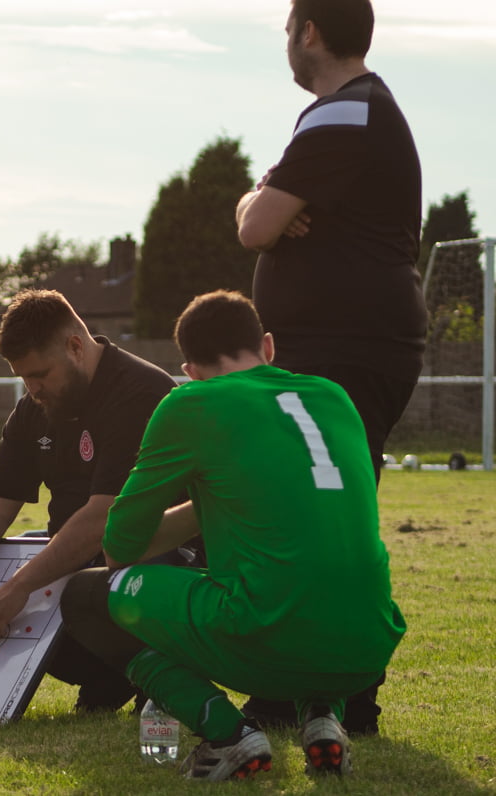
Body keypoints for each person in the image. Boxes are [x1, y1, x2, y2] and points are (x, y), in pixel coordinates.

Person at [60, 290, 406, 781]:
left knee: (86, 595)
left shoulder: (192, 402)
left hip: (270, 638)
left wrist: (200, 506)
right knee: (301, 569)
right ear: (267, 347)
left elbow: (121, 547)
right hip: (367, 649)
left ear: (190, 369)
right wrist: (218, 500)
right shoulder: (333, 397)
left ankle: (229, 734)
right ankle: (323, 718)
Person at [234, 0, 426, 734]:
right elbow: (272, 213)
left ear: (309, 31)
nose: (287, 42)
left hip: (344, 348)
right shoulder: (351, 115)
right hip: (354, 344)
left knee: (315, 514)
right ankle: (326, 691)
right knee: (329, 512)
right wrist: (275, 193)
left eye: (289, 28)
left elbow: (255, 225)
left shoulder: (342, 113)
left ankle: (325, 693)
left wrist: (263, 194)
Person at [0, 288, 189, 712]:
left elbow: (106, 516)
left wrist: (23, 584)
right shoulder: (37, 404)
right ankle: (109, 675)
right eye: (23, 378)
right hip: (84, 568)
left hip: (160, 560)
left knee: (112, 575)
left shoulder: (139, 391)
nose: (32, 388)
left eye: (40, 374)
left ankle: (158, 679)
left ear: (75, 346)